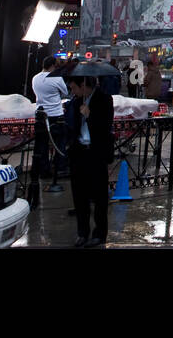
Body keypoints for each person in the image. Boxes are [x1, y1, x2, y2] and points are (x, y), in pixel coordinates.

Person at [64, 75, 113, 247]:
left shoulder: (105, 99)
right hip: (79, 153)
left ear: (83, 85)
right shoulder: (76, 102)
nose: (72, 91)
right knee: (79, 196)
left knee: (99, 197)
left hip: (96, 153)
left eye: (74, 88)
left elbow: (106, 126)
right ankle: (82, 232)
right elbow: (70, 126)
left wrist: (90, 115)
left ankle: (99, 234)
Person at [31, 56, 69, 186]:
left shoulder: (35, 78)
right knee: (59, 143)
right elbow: (65, 92)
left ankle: (44, 170)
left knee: (42, 145)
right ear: (53, 65)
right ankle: (59, 168)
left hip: (40, 115)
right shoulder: (56, 78)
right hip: (56, 115)